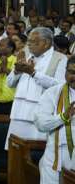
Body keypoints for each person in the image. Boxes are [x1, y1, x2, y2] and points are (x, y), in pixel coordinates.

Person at [7, 27, 66, 148]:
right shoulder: (26, 55)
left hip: (40, 115)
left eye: (33, 41)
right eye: (28, 41)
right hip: (18, 113)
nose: (28, 45)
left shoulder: (60, 58)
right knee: (15, 152)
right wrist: (17, 71)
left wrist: (33, 73)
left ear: (46, 43)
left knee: (35, 152)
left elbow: (60, 86)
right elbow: (9, 83)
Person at [35, 56, 75, 184]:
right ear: (65, 71)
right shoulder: (53, 93)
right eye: (71, 72)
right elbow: (41, 124)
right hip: (54, 158)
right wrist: (62, 117)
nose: (74, 77)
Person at [0, 37, 17, 115]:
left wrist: (5, 68)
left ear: (10, 48)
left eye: (1, 45)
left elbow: (16, 78)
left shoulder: (16, 60)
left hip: (9, 101)